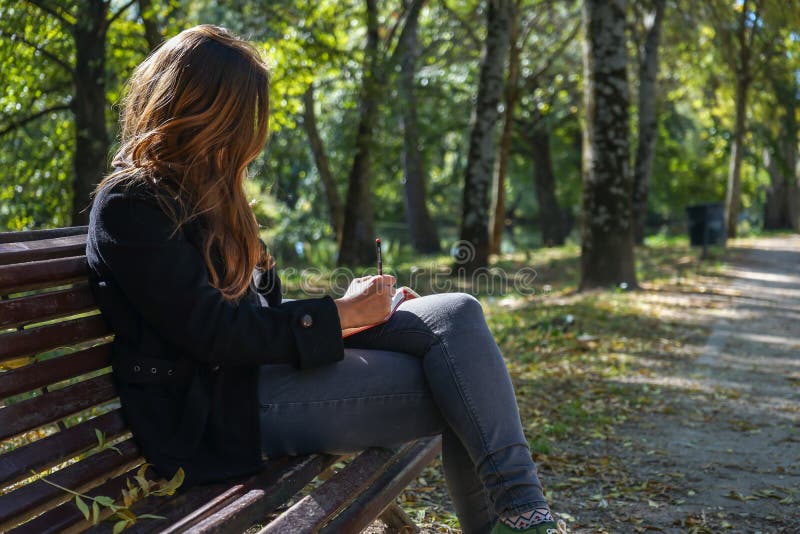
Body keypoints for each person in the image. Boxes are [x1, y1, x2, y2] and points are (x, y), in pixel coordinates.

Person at [85, 25, 566, 534]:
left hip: (255, 375)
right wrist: (338, 316)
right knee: (464, 388)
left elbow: (261, 313)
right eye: (241, 118)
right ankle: (524, 519)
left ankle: (522, 513)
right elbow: (213, 333)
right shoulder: (131, 205)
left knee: (458, 313)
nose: (251, 134)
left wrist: (348, 314)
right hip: (217, 410)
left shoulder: (214, 195)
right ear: (198, 113)